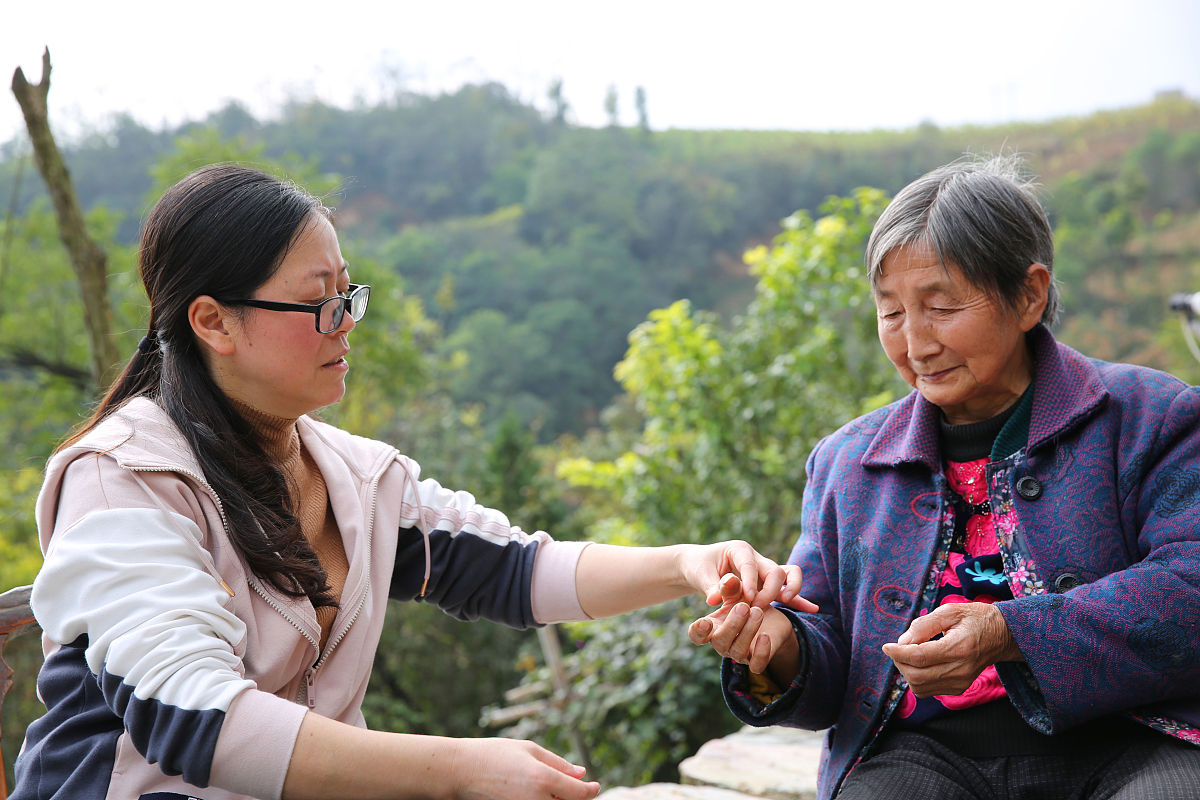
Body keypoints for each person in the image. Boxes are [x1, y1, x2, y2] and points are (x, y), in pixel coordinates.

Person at [13, 164, 810, 800]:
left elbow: (517, 571)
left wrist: (685, 563)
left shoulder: (355, 475)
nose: (346, 321)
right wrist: (458, 770)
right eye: (315, 303)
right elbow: (194, 720)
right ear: (214, 322)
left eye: (347, 294)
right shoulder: (126, 478)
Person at [690, 156, 1200, 799]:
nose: (916, 342)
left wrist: (1012, 632)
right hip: (924, 760)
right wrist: (778, 648)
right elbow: (829, 666)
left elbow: (1191, 585)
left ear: (1028, 295)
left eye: (941, 306)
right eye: (892, 313)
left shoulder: (1153, 418)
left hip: (1134, 743)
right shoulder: (849, 463)